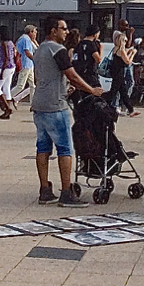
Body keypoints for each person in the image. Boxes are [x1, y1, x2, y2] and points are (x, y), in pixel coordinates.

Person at [32, 14, 103, 206]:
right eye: (63, 28)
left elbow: (43, 77)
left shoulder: (40, 49)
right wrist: (91, 90)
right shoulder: (58, 50)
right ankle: (66, 193)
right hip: (56, 105)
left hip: (39, 103)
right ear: (53, 31)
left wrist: (64, 87)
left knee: (43, 147)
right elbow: (72, 75)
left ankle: (45, 190)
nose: (67, 32)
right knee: (65, 148)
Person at [106, 30, 138, 117]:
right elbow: (127, 61)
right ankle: (104, 104)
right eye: (125, 41)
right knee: (113, 92)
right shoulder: (121, 50)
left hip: (116, 72)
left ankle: (131, 110)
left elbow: (124, 55)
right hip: (119, 73)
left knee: (123, 92)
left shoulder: (116, 49)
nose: (126, 42)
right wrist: (133, 54)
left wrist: (129, 51)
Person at [13, 25, 37, 103]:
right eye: (34, 32)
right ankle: (7, 97)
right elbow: (27, 52)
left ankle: (32, 102)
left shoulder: (27, 39)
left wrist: (34, 41)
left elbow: (37, 48)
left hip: (29, 65)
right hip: (25, 64)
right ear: (30, 32)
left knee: (32, 85)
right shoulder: (25, 39)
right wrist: (36, 60)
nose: (36, 34)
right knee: (20, 85)